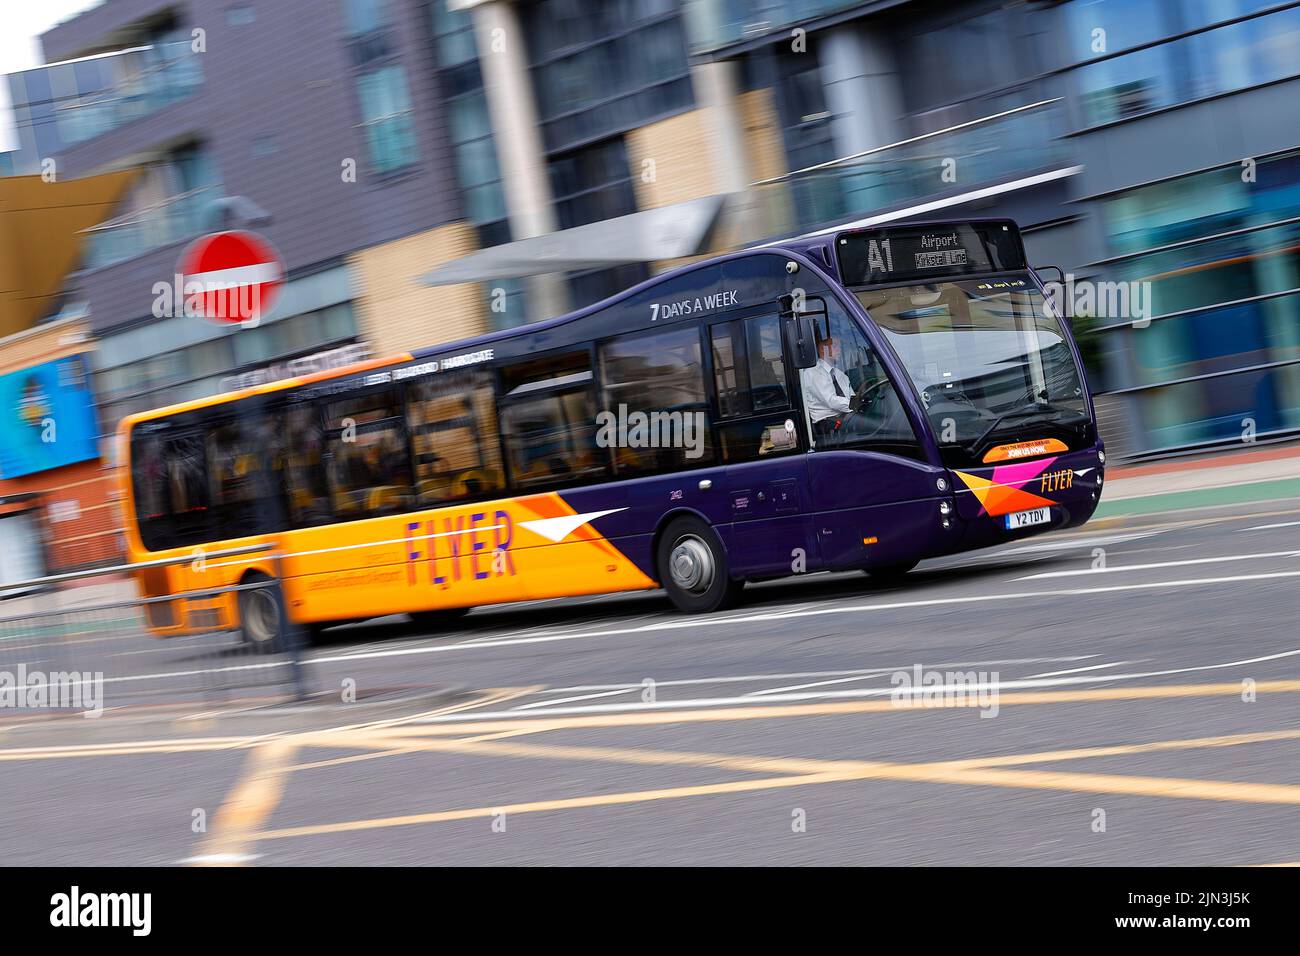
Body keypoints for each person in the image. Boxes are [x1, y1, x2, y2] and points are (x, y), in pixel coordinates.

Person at [801, 332, 855, 445]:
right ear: (822, 349)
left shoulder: (841, 375)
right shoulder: (812, 373)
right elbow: (830, 400)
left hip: (846, 419)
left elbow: (852, 397)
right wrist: (854, 405)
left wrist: (859, 402)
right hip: (827, 428)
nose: (839, 350)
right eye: (835, 346)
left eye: (839, 346)